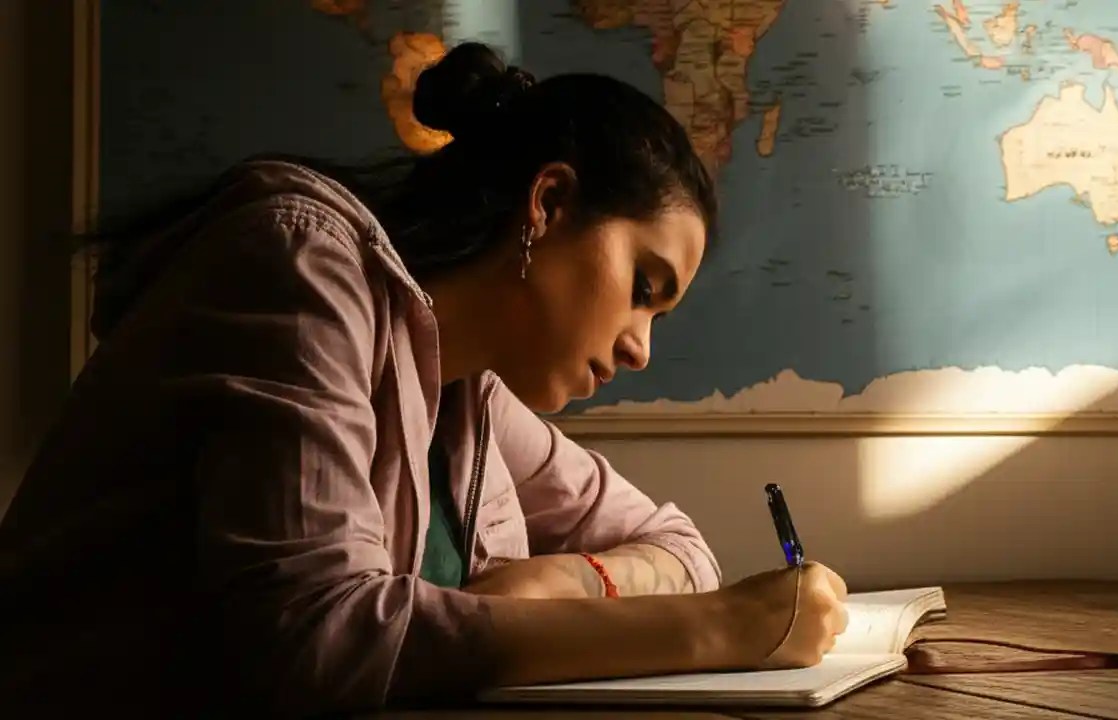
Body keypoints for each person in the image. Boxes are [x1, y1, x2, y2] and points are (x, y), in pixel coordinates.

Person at [0, 42, 848, 716]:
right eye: (642, 288)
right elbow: (312, 639)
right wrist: (718, 628)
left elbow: (681, 544)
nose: (641, 351)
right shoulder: (302, 269)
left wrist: (560, 580)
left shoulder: (468, 392)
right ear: (547, 204)